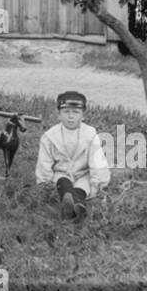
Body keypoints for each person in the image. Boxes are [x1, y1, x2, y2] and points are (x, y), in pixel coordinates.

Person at [35, 91, 111, 223]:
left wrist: (98, 185)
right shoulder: (49, 137)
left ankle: (75, 206)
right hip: (61, 174)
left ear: (83, 115)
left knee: (83, 187)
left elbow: (97, 163)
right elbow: (44, 163)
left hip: (83, 174)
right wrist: (44, 184)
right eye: (66, 112)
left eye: (75, 112)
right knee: (63, 182)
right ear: (59, 114)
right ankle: (71, 202)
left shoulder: (90, 135)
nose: (70, 117)